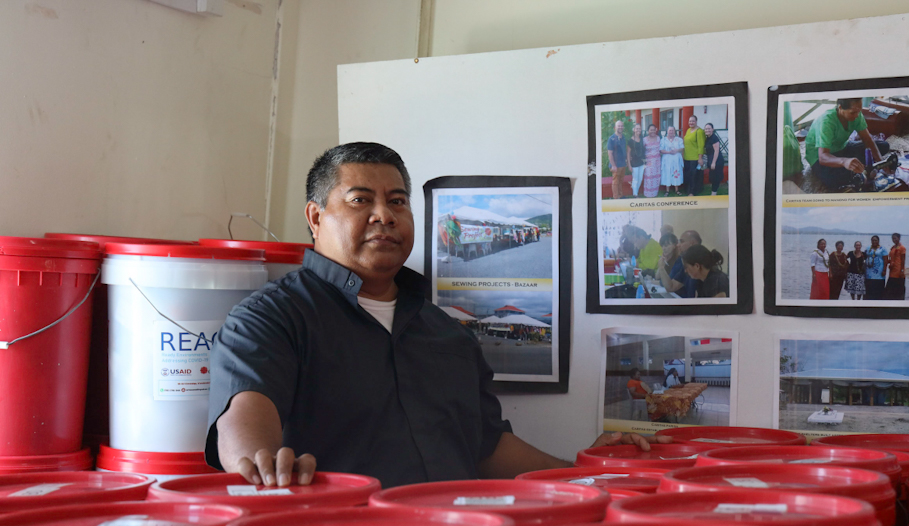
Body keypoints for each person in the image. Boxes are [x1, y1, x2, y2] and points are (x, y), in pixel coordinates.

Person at [207, 142, 666, 488]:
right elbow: (245, 416)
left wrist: (585, 472)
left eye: (398, 201)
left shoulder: (447, 333)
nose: (384, 215)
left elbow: (487, 449)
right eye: (360, 200)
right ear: (315, 217)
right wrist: (263, 464)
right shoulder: (272, 318)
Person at [804, 98, 892, 191]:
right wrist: (844, 161)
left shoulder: (857, 114)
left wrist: (880, 162)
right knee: (834, 180)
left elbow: (867, 139)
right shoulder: (826, 122)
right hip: (819, 156)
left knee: (883, 146)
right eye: (853, 112)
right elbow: (823, 157)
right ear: (840, 108)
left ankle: (855, 167)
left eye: (859, 111)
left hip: (842, 148)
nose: (857, 115)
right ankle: (852, 168)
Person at [666, 230, 703, 297]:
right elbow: (670, 287)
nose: (678, 245)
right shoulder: (686, 265)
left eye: (682, 241)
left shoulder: (704, 265)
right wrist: (661, 268)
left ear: (692, 243)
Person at [682, 115, 706, 196]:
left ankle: (692, 192)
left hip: (695, 158)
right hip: (687, 157)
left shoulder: (699, 131)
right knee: (687, 175)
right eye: (690, 121)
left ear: (696, 121)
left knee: (693, 176)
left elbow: (701, 146)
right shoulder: (688, 130)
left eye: (693, 121)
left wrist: (700, 158)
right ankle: (687, 190)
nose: (691, 123)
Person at [659, 125, 684, 195]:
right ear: (667, 131)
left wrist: (677, 150)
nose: (671, 132)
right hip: (667, 160)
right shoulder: (663, 140)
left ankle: (677, 190)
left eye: (672, 130)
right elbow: (661, 150)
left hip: (676, 160)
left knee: (676, 173)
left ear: (674, 131)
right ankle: (667, 190)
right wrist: (669, 152)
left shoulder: (679, 139)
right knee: (667, 173)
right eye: (670, 130)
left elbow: (682, 148)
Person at [864, 235, 889, 300]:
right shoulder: (868, 248)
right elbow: (864, 257)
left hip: (879, 273)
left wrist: (884, 270)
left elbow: (886, 260)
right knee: (869, 289)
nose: (874, 241)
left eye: (875, 240)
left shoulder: (883, 249)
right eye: (873, 240)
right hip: (869, 273)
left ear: (878, 241)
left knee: (878, 289)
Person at [607, 120, 627, 199]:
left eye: (621, 126)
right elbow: (610, 153)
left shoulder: (623, 137)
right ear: (615, 127)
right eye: (619, 126)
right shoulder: (611, 139)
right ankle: (616, 198)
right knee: (615, 182)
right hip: (615, 165)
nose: (620, 127)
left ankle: (620, 195)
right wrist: (613, 165)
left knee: (620, 181)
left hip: (622, 164)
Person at [703, 123, 725, 195]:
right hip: (711, 159)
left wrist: (713, 162)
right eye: (706, 129)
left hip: (717, 160)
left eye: (709, 128)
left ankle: (713, 194)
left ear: (712, 129)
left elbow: (716, 151)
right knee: (712, 177)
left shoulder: (714, 138)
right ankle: (714, 191)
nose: (707, 130)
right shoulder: (708, 138)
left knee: (716, 177)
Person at [642, 123, 663, 198]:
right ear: (648, 131)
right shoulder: (644, 140)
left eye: (654, 130)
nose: (652, 131)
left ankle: (655, 193)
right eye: (651, 130)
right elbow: (641, 151)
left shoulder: (658, 138)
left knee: (656, 177)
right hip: (649, 162)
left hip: (657, 161)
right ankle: (648, 194)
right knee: (649, 177)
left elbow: (661, 149)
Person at [886, 233, 906, 300]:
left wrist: (902, 270)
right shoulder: (893, 247)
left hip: (899, 271)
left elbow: (903, 260)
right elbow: (890, 258)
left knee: (898, 290)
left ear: (899, 238)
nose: (894, 240)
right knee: (889, 291)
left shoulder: (902, 248)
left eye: (895, 238)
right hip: (892, 271)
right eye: (893, 238)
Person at [626, 123, 645, 198]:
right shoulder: (630, 140)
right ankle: (635, 194)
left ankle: (636, 191)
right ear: (634, 130)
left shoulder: (642, 138)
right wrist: (629, 164)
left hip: (641, 162)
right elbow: (628, 153)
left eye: (639, 128)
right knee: (635, 179)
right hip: (634, 163)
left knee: (640, 179)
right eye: (637, 128)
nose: (638, 130)